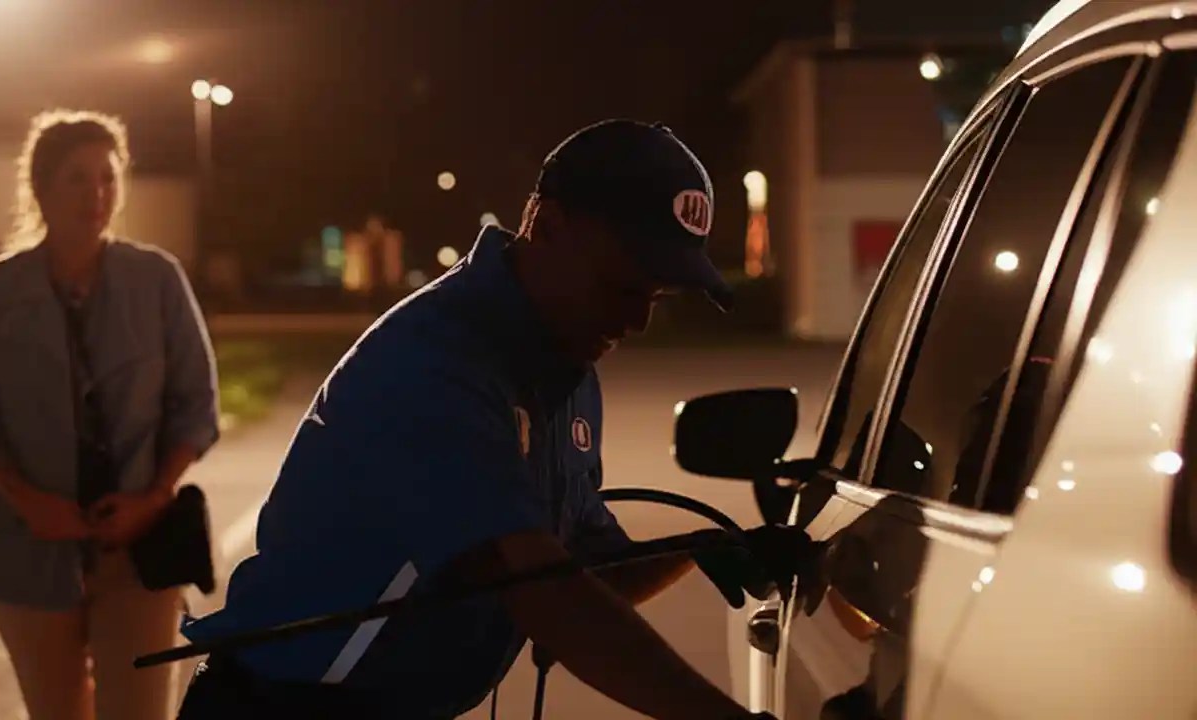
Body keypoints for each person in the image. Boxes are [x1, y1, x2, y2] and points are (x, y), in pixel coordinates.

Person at [176, 119, 779, 719]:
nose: (637, 322)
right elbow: (544, 593)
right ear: (547, 227)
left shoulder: (564, 366)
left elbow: (589, 573)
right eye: (621, 286)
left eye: (655, 299)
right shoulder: (437, 361)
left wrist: (698, 549)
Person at [0, 109, 220, 720]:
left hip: (140, 550)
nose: (97, 194)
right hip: (27, 552)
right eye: (78, 177)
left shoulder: (156, 277)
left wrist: (153, 497)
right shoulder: (1, 289)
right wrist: (30, 501)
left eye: (108, 177)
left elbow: (196, 405)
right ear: (41, 185)